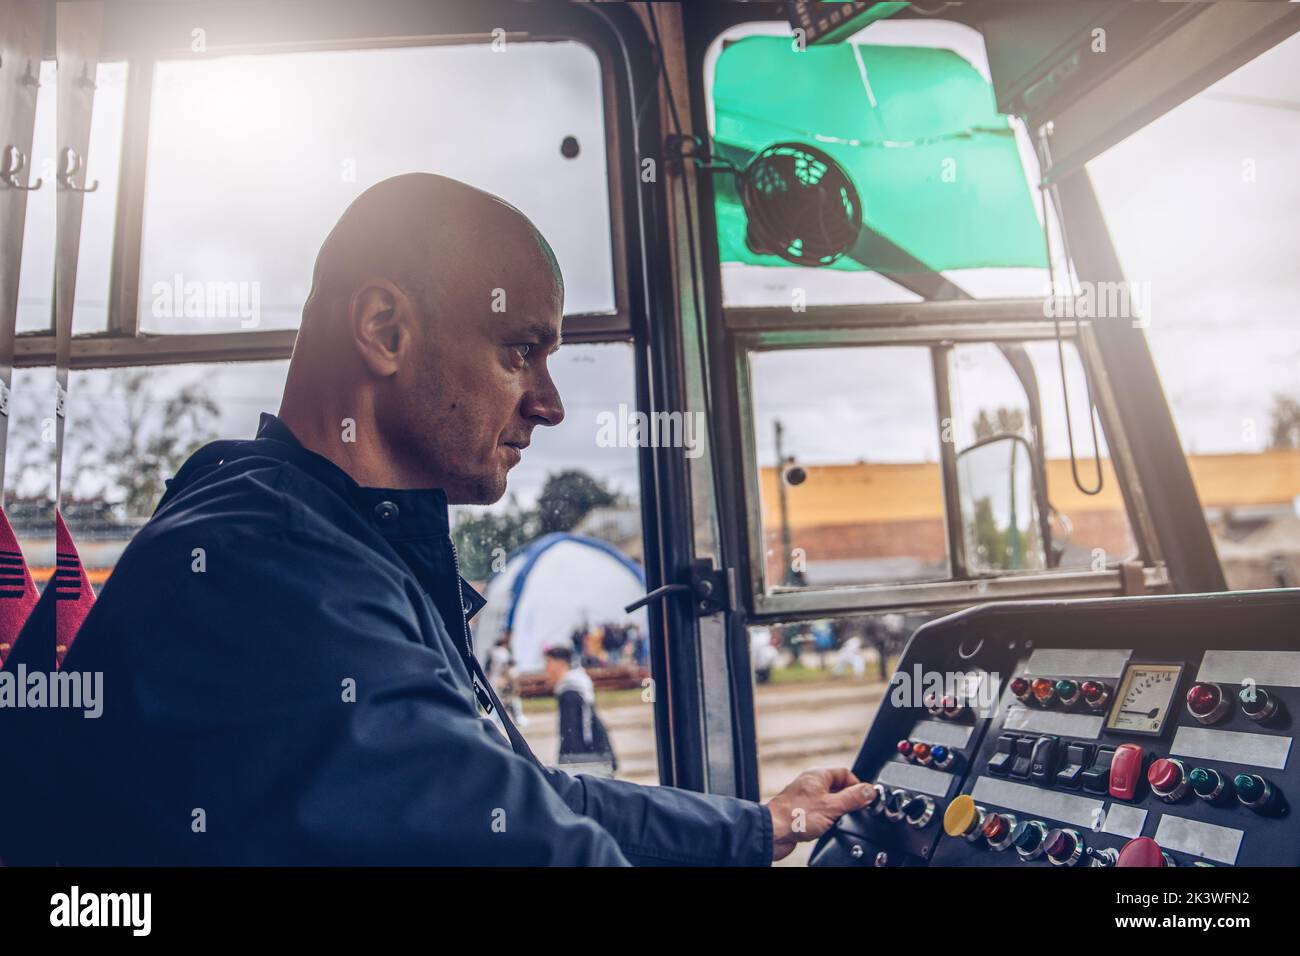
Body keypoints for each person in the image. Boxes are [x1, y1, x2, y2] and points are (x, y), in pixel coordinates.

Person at [28, 173, 871, 866]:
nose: (550, 404)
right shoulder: (267, 567)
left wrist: (763, 826)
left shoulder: (341, 540)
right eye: (520, 351)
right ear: (384, 329)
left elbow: (531, 800)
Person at [543, 646, 616, 774]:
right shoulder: (577, 685)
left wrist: (567, 762)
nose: (545, 667)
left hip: (585, 755)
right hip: (597, 749)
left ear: (560, 663)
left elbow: (570, 731)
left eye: (549, 662)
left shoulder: (569, 692)